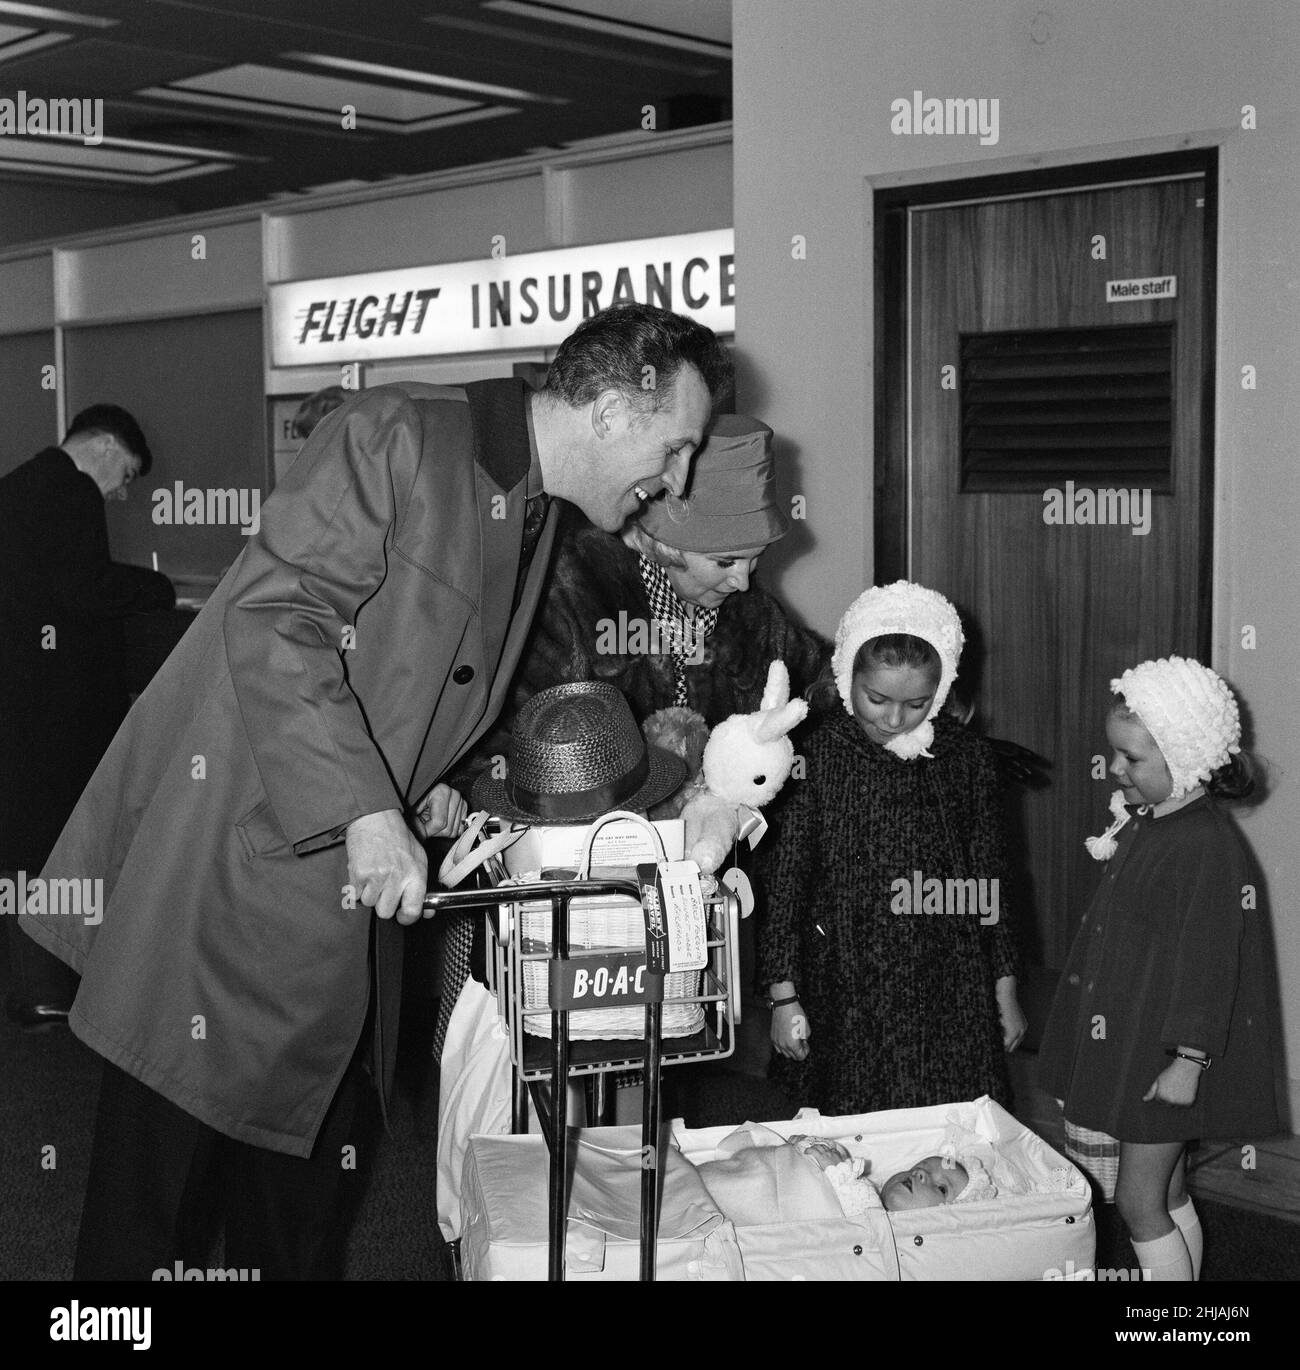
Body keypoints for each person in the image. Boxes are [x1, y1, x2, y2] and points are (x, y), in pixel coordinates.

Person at [16, 302, 732, 1280]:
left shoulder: (530, 504)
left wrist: (421, 780)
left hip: (330, 917)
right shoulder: (397, 430)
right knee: (153, 1220)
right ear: (614, 406)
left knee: (300, 1202)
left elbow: (403, 669)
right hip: (233, 894)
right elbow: (275, 620)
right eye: (677, 444)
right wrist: (365, 805)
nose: (676, 478)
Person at [434, 414, 830, 1059]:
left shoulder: (746, 610)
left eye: (754, 561)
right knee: (545, 1063)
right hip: (561, 890)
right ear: (665, 539)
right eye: (726, 560)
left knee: (645, 1056)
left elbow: (817, 689)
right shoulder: (569, 588)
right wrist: (457, 789)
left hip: (671, 892)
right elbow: (499, 727)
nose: (743, 581)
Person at [1036, 656, 1279, 1282]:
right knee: (1165, 1197)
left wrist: (1188, 1061)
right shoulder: (1155, 824)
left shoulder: (1205, 847)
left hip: (1166, 1058)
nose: (1115, 769)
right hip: (1138, 1044)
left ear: (1187, 758)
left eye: (1133, 759)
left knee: (1140, 1203)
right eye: (1114, 754)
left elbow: (1209, 965)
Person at [759, 580, 1027, 1118]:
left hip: (948, 983)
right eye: (876, 699)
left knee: (951, 1131)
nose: (894, 719)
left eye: (917, 704)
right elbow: (786, 887)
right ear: (846, 678)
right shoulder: (816, 758)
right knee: (851, 1130)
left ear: (944, 687)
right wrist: (783, 993)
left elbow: (989, 882)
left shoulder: (966, 760)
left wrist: (1005, 983)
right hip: (844, 984)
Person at [0, 404, 173, 1029]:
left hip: (19, 701)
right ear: (102, 446)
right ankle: (49, 988)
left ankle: (35, 988)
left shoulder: (16, 485)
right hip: (58, 707)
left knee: (26, 841)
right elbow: (85, 590)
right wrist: (157, 590)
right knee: (59, 841)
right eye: (125, 473)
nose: (122, 490)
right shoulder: (70, 490)